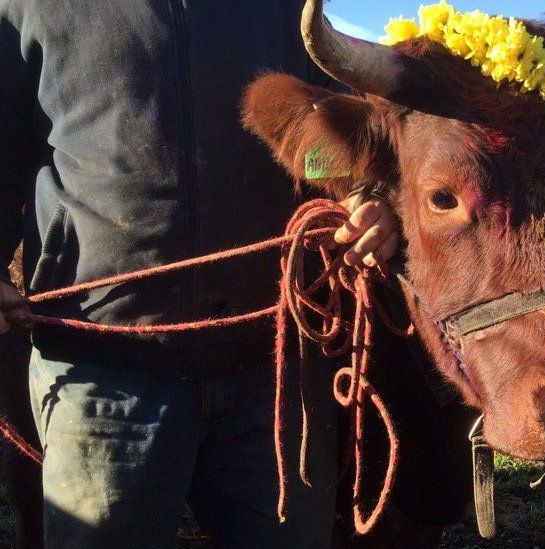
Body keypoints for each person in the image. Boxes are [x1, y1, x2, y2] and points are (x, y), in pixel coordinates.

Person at [0, 3, 397, 547]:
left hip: (273, 370)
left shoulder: (290, 10)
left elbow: (321, 140)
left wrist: (362, 195)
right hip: (102, 373)